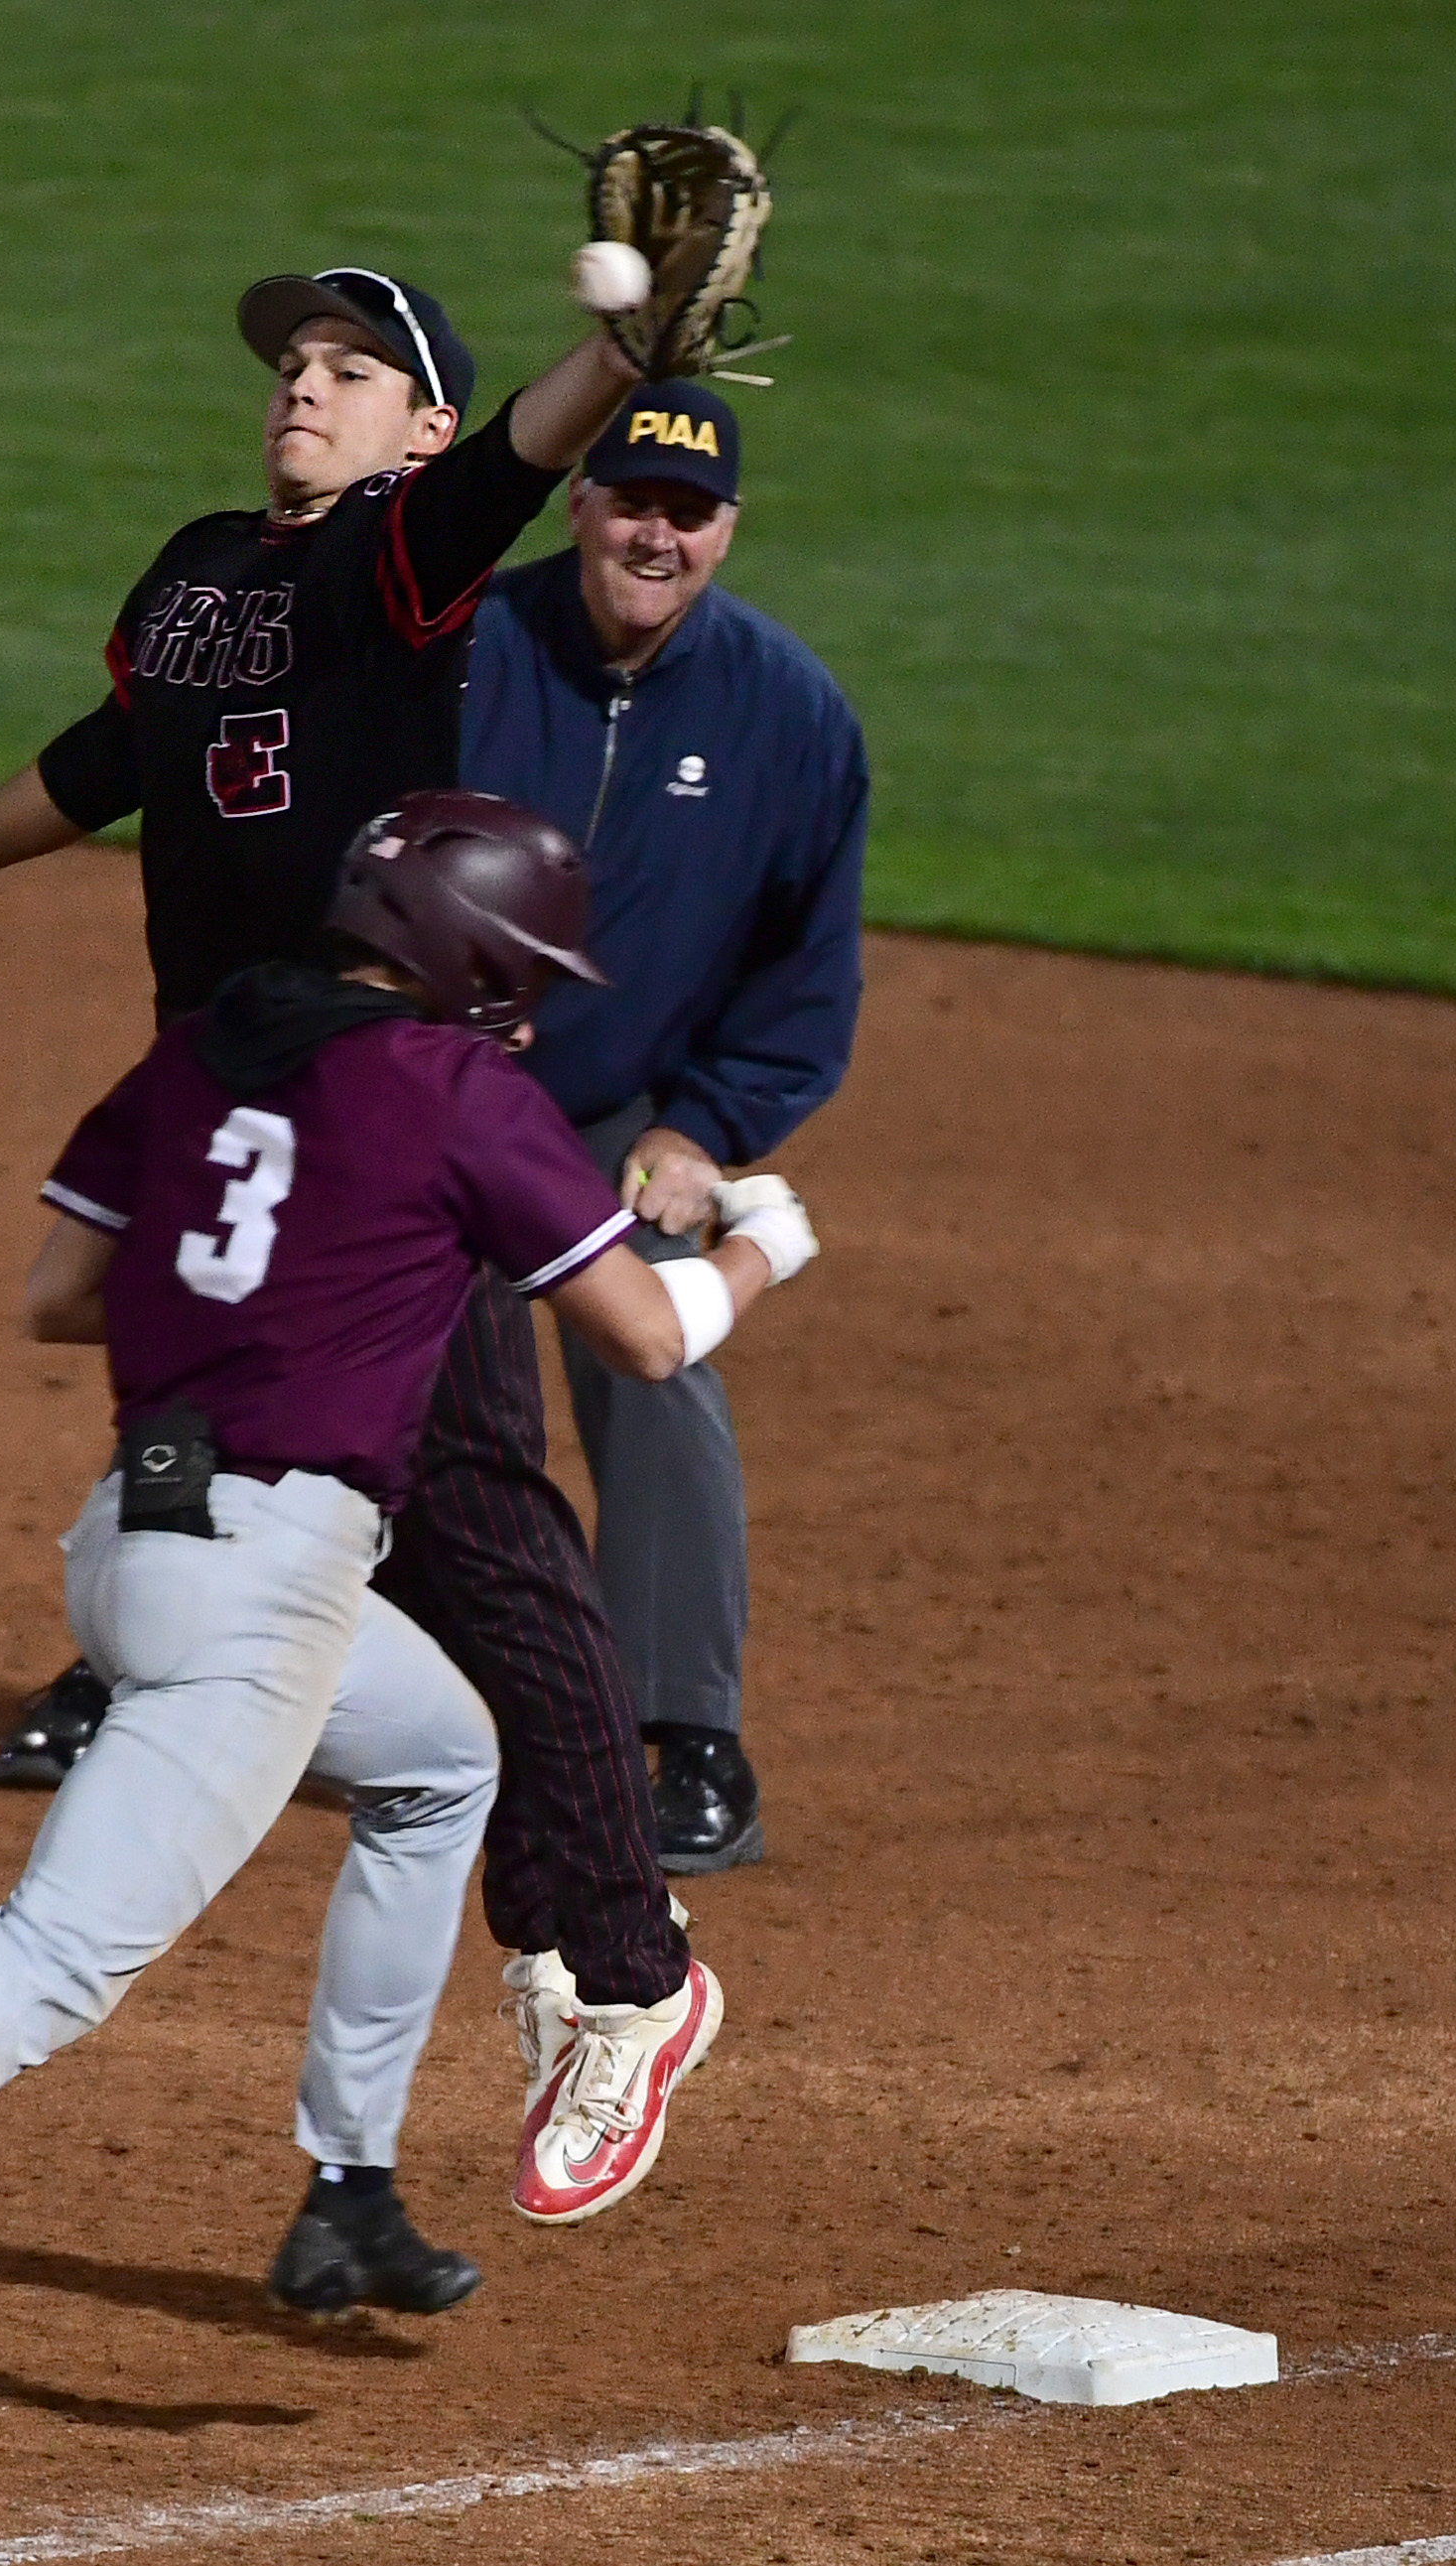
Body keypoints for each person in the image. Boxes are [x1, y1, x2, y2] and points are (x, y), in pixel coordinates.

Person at [0, 796, 820, 2474]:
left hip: (142, 1523)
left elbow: (60, 1295)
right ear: (465, 963)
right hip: (263, 1580)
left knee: (442, 1757)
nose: (536, 1013)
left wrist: (277, 1298)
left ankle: (349, 2191)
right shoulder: (453, 1086)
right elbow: (645, 1334)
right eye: (523, 974)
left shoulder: (203, 1049)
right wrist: (772, 1240)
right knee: (53, 1958)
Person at [0, 264, 709, 2213]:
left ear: (419, 428)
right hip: (223, 1094)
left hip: (374, 1102)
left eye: (358, 371)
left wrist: (628, 348)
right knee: (368, 1498)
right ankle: (561, 1928)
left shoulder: (402, 556)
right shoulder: (200, 569)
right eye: (295, 362)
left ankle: (623, 1974)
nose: (308, 387)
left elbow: (526, 465)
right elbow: (106, 766)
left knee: (469, 1502)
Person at [463, 378, 866, 1874]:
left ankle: (688, 1739)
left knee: (655, 1343)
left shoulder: (791, 714)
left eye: (687, 514)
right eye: (630, 499)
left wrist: (705, 1126)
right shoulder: (468, 645)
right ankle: (136, 1667)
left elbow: (806, 976)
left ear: (728, 530)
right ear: (577, 500)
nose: (655, 533)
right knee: (282, 1297)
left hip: (612, 1110)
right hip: (420, 1076)